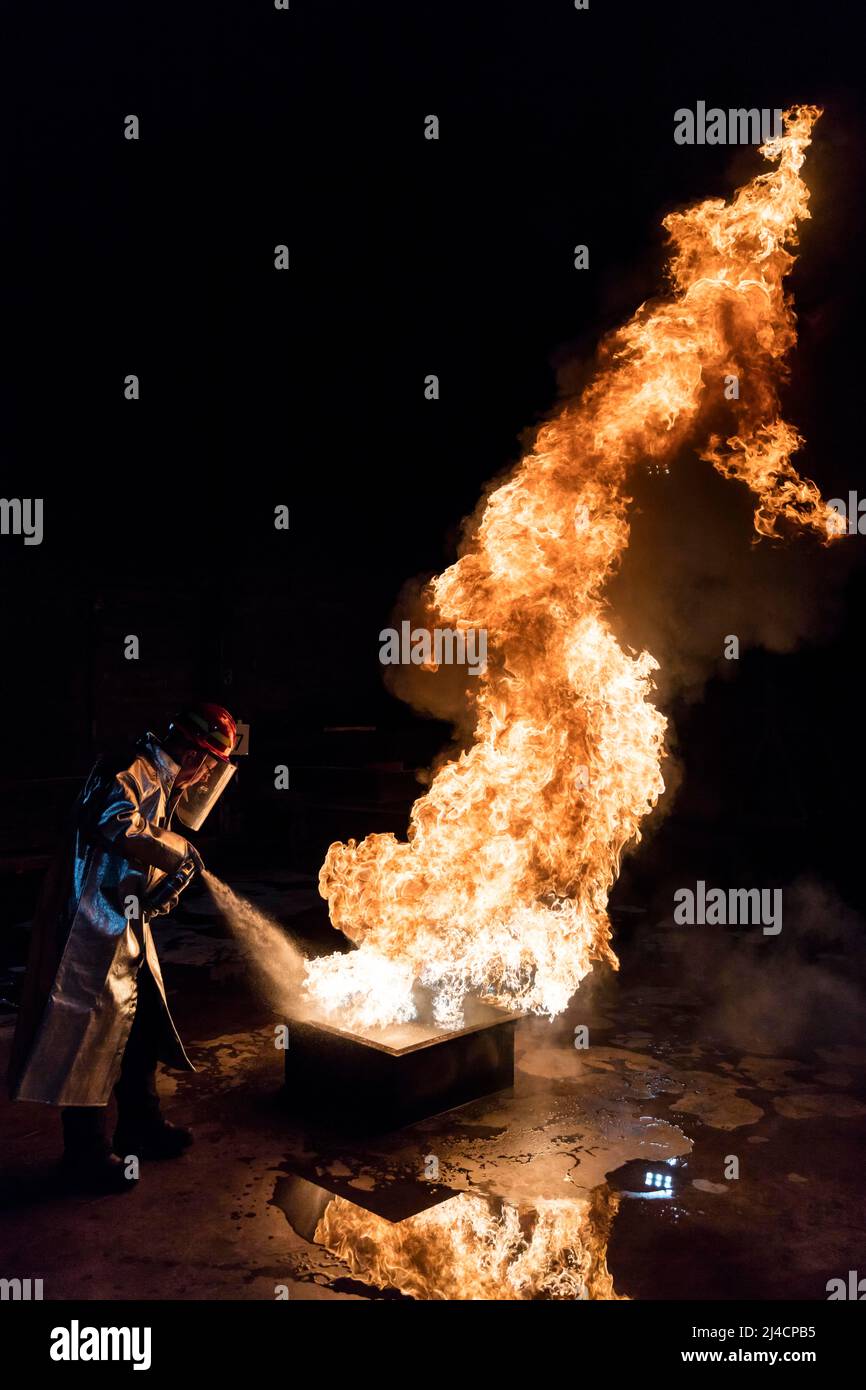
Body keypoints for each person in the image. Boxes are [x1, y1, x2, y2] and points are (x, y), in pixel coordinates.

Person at [7, 702, 238, 1193]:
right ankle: (84, 1154)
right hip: (91, 926)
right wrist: (178, 851)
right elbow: (113, 822)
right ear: (195, 755)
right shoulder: (128, 770)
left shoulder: (161, 775)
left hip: (127, 920)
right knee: (89, 1035)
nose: (205, 777)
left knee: (143, 1021)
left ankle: (141, 1125)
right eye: (209, 765)